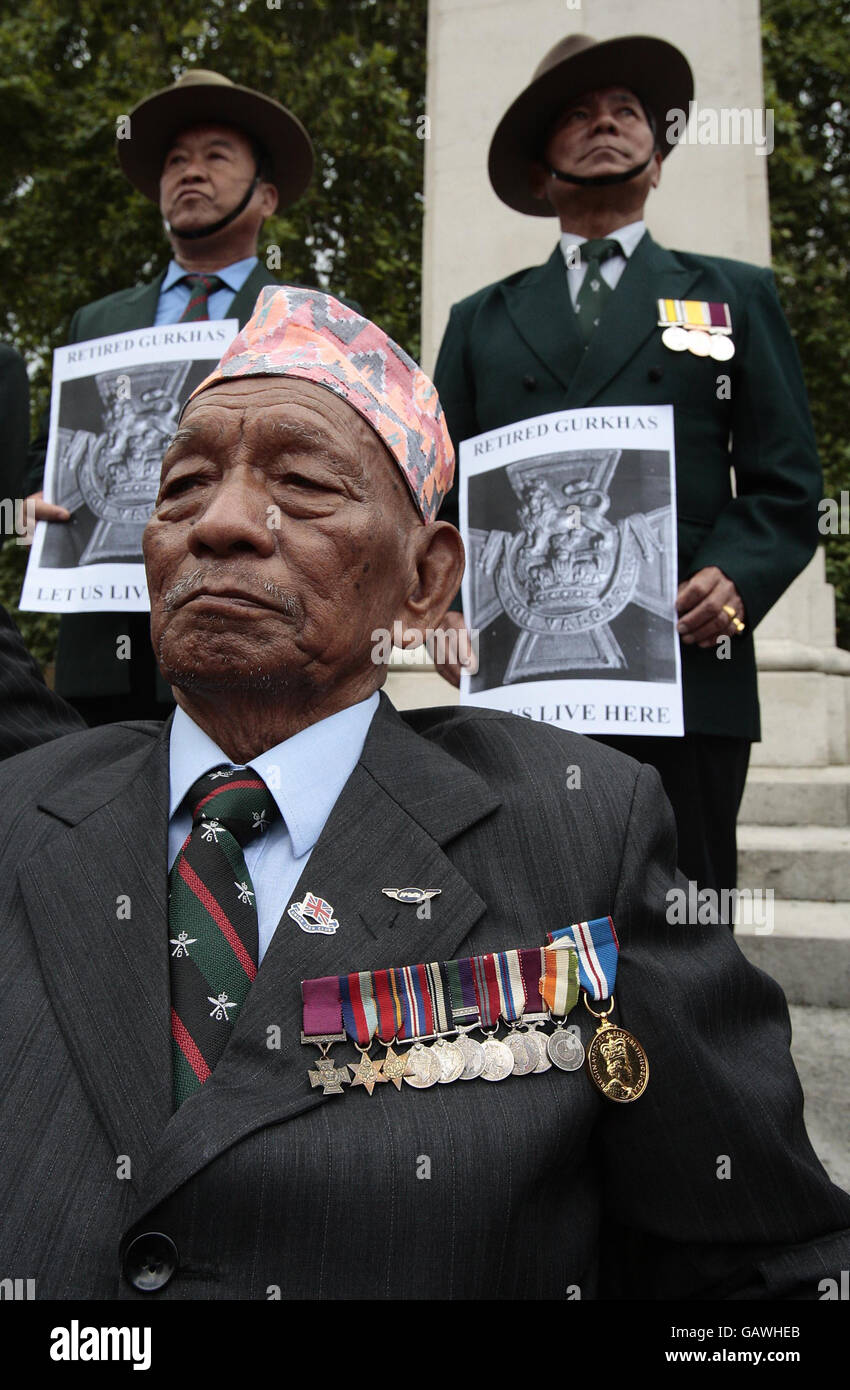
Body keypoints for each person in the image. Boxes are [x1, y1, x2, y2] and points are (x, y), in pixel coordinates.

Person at [0, 285, 847, 1302]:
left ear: (426, 582)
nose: (220, 523)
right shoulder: (22, 810)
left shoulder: (581, 834)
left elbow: (764, 1268)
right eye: (180, 486)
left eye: (303, 484)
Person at [432, 33, 822, 896]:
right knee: (530, 920)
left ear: (658, 161)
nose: (603, 123)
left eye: (625, 112)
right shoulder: (480, 321)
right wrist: (438, 607)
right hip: (521, 678)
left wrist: (737, 577)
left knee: (686, 925)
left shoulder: (731, 295)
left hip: (687, 671)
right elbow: (434, 494)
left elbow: (786, 480)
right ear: (539, 173)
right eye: (576, 114)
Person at [24, 69, 314, 726]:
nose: (191, 172)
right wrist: (26, 512)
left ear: (266, 196)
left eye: (216, 157)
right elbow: (44, 460)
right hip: (104, 647)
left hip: (243, 629)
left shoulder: (304, 321)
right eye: (176, 161)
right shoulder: (93, 323)